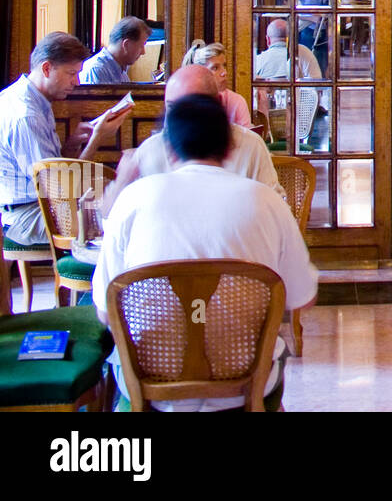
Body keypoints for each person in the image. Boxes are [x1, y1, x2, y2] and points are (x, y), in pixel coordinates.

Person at [92, 93, 316, 411]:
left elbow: (105, 311)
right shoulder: (267, 201)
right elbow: (301, 297)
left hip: (151, 382)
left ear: (169, 149)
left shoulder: (133, 199)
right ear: (229, 147)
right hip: (245, 382)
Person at [0, 33, 133, 245]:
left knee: (118, 205)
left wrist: (72, 144)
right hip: (28, 216)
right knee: (118, 222)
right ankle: (100, 277)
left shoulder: (34, 100)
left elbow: (53, 171)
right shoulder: (27, 115)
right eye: (71, 73)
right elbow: (59, 188)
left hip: (42, 205)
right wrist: (96, 140)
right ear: (46, 69)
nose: (76, 82)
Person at [103, 63, 280, 216]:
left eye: (190, 109)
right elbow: (110, 219)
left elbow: (278, 210)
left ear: (217, 102)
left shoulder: (250, 146)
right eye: (172, 107)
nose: (179, 119)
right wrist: (122, 182)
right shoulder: (152, 149)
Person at [181, 39, 252, 128]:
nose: (224, 73)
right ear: (199, 73)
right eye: (215, 68)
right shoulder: (185, 104)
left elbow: (247, 138)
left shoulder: (236, 101)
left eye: (224, 66)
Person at [78, 16, 150, 84]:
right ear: (126, 44)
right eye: (141, 45)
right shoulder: (97, 70)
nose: (143, 52)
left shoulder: (121, 71)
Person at [297, 0, 330, 74]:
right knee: (308, 60)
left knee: (323, 62)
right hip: (308, 27)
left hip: (325, 29)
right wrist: (312, 18)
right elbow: (296, 7)